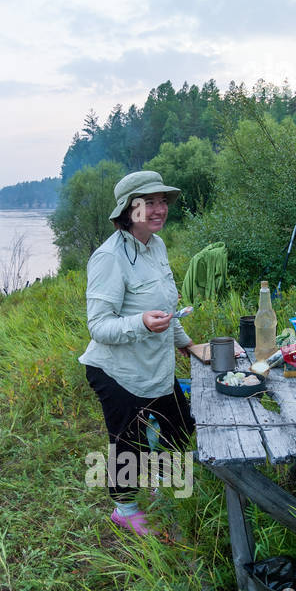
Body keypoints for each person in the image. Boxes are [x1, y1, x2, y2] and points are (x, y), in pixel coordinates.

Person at [80, 169, 200, 536]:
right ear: (129, 210)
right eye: (148, 202)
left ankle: (160, 483)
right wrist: (141, 324)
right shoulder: (109, 258)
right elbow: (98, 326)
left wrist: (188, 344)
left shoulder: (157, 246)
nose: (159, 208)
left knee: (181, 429)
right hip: (118, 372)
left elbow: (167, 307)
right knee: (127, 443)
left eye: (162, 201)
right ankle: (125, 508)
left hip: (156, 369)